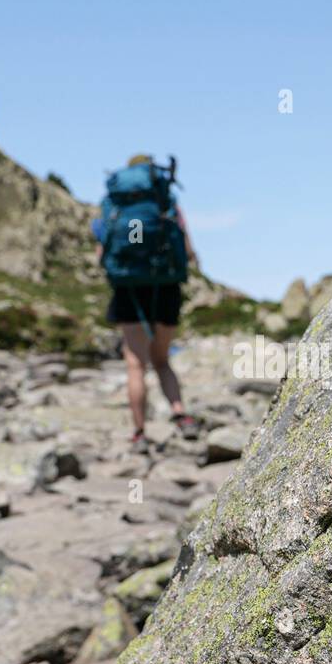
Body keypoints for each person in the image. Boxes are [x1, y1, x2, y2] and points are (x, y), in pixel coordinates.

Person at [92, 153, 201, 452]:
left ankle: (140, 433)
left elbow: (102, 252)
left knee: (135, 364)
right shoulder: (165, 199)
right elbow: (187, 248)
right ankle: (180, 415)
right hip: (165, 286)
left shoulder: (114, 203)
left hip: (129, 288)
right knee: (162, 360)